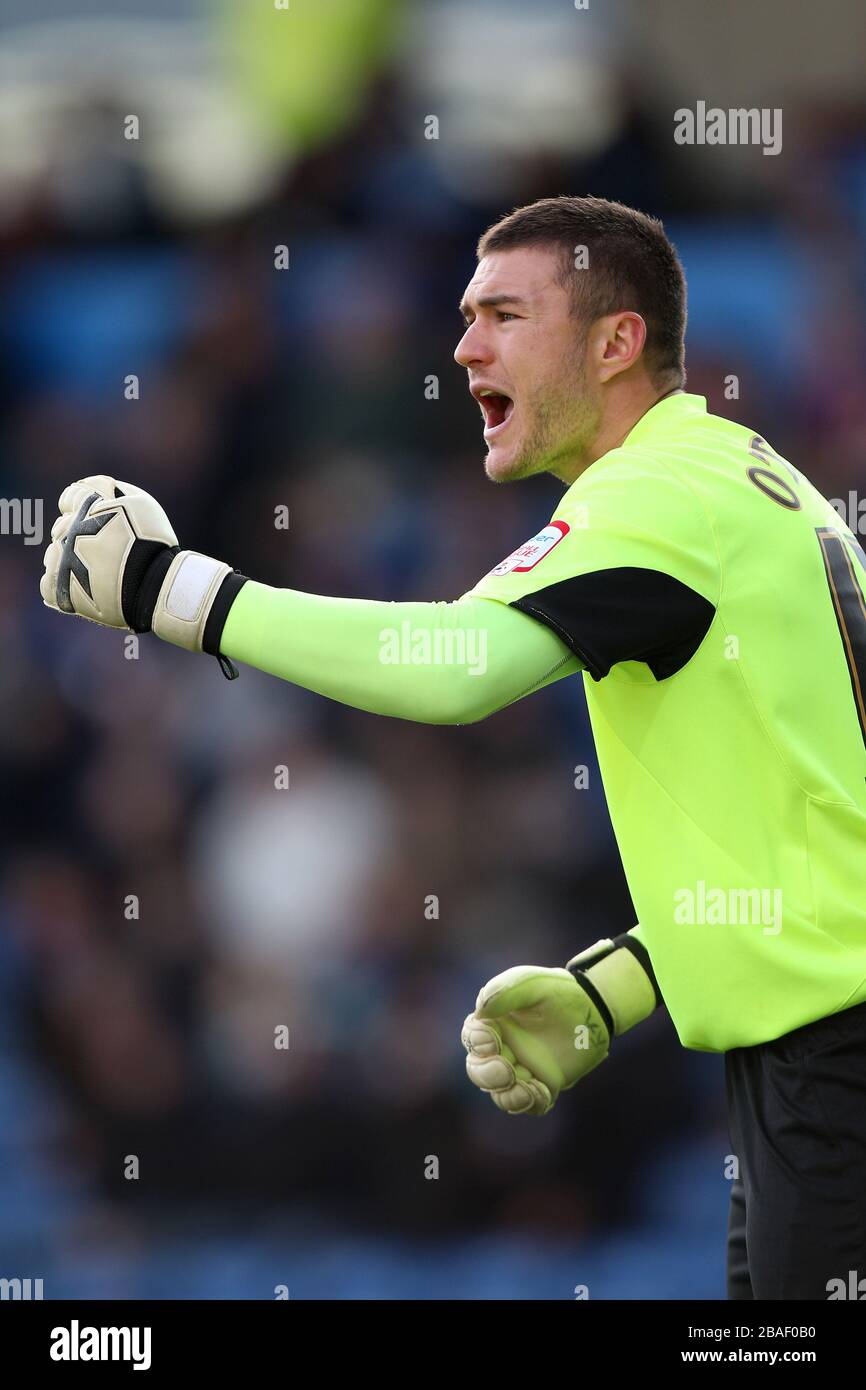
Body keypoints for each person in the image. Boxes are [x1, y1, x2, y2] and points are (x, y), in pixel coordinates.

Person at [41, 195, 866, 1300]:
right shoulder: (740, 479)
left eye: (504, 315)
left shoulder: (659, 496)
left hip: (834, 1069)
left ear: (615, 341)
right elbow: (811, 831)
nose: (463, 346)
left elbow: (451, 665)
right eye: (465, 316)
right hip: (803, 1065)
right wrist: (619, 983)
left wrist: (171, 591)